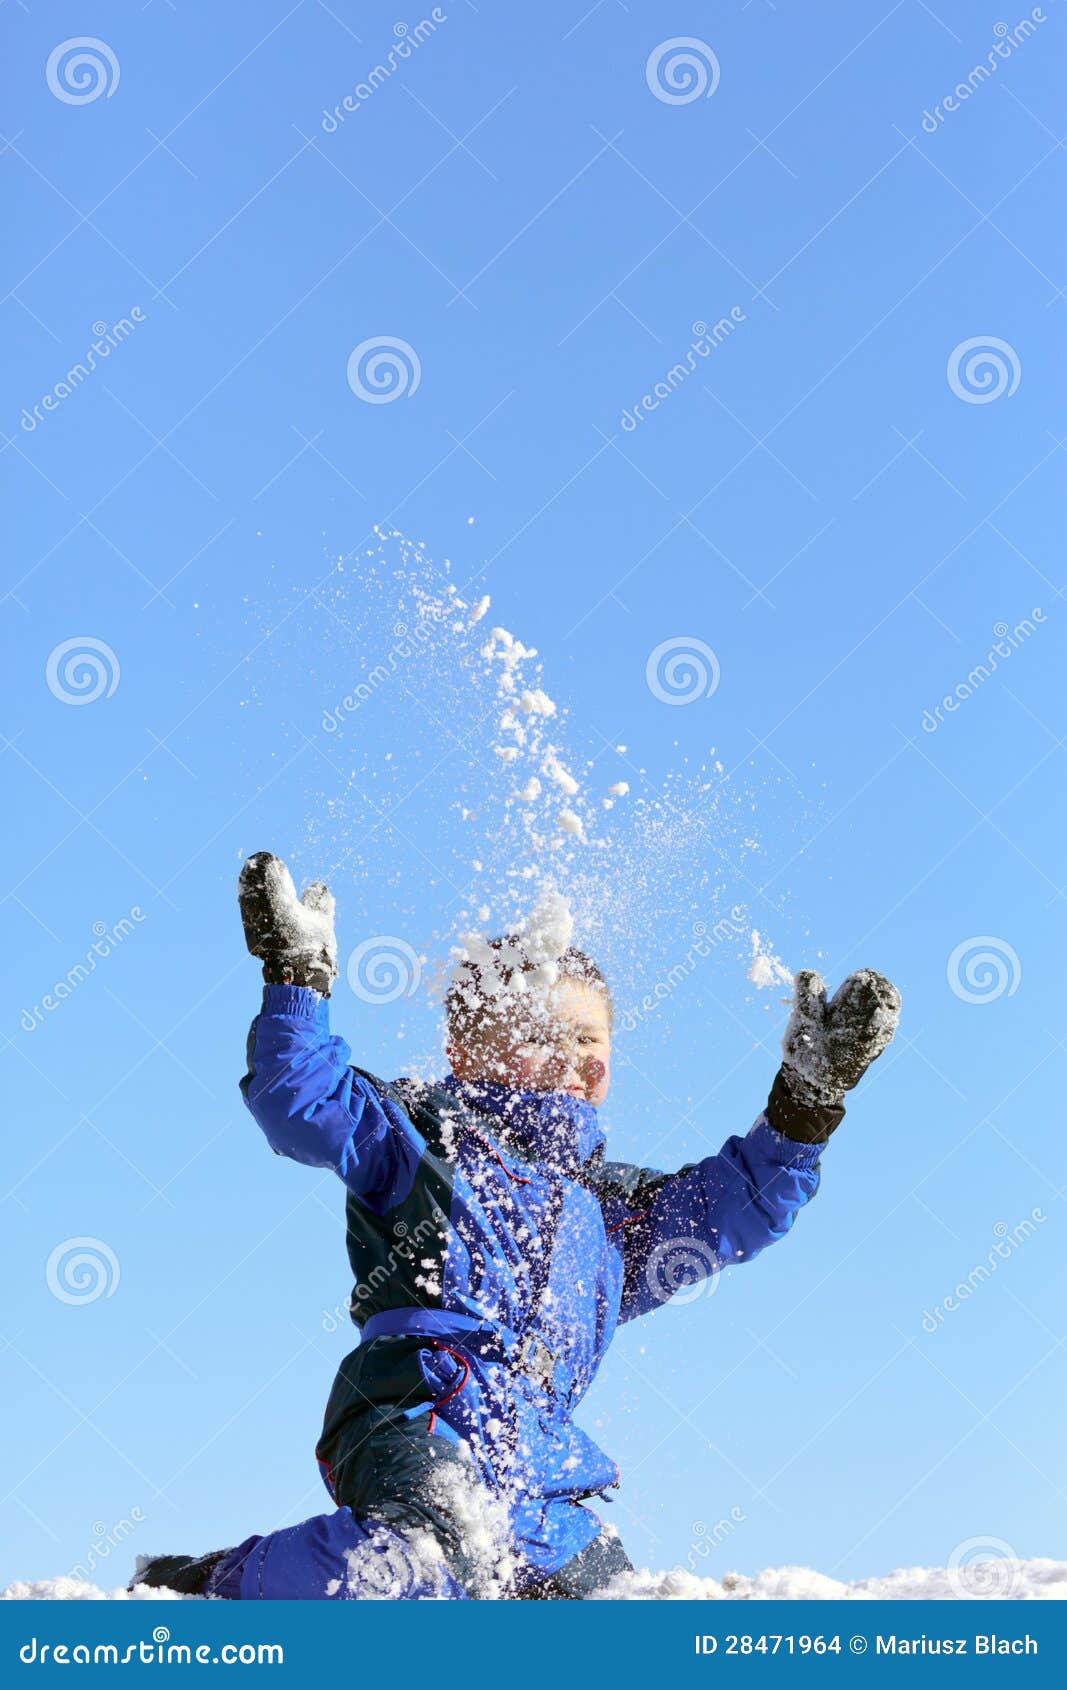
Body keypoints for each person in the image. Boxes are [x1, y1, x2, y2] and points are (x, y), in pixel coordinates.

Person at [133, 853, 900, 1600]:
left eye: (589, 1039)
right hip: (421, 1414)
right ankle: (213, 1586)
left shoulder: (613, 1207)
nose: (575, 1058)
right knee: (424, 1559)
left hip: (540, 1460)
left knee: (615, 1613)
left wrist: (806, 1101)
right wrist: (299, 978)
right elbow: (298, 1098)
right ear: (463, 1050)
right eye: (542, 1035)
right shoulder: (420, 1136)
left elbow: (735, 1209)